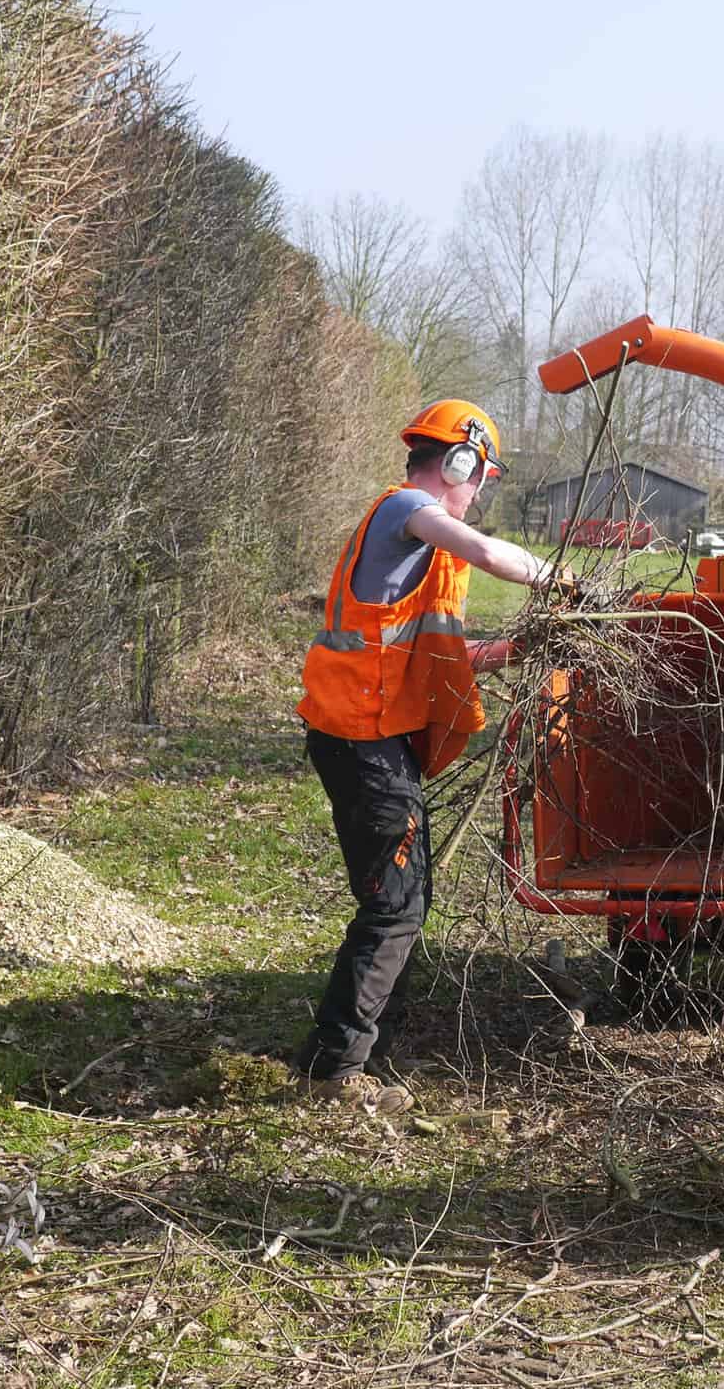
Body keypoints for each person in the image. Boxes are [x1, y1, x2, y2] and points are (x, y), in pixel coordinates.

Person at [294, 399, 574, 1114]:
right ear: (459, 462)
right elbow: (485, 550)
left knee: (406, 898)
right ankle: (335, 1069)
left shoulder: (417, 544)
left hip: (372, 738)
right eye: (479, 475)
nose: (478, 491)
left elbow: (434, 656)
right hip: (363, 743)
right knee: (393, 906)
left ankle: (368, 1040)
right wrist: (566, 583)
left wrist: (522, 650)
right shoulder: (406, 511)